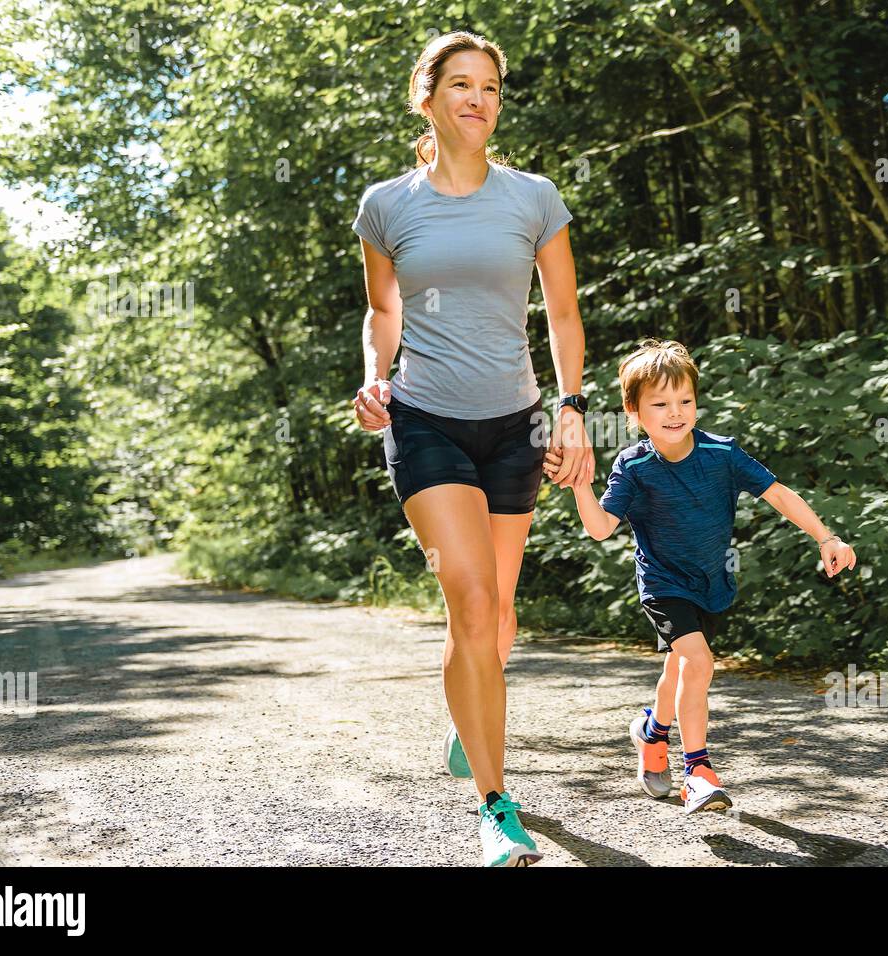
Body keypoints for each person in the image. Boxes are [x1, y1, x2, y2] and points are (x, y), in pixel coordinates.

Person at [350, 31, 594, 866]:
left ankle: (469, 725)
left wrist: (571, 410)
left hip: (517, 422)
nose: (478, 99)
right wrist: (374, 376)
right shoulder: (388, 206)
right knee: (472, 600)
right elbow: (382, 311)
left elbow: (562, 315)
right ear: (427, 98)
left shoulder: (533, 198)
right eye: (460, 84)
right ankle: (496, 806)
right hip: (425, 420)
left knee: (499, 617)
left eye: (490, 87)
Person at [544, 340, 856, 812]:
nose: (675, 413)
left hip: (711, 583)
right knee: (700, 663)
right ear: (634, 410)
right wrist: (580, 484)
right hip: (663, 584)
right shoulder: (634, 465)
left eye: (685, 401)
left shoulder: (722, 454)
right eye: (660, 404)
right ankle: (699, 772)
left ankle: (651, 734)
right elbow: (600, 528)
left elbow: (778, 494)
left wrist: (825, 537)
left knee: (680, 667)